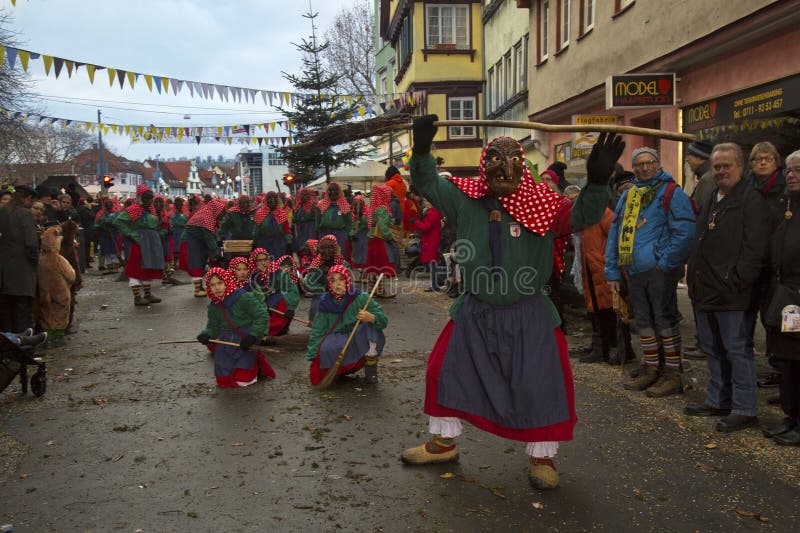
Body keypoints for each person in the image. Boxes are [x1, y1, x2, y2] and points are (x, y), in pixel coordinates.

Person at [399, 115, 621, 490]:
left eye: (512, 162)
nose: (503, 170)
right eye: (495, 162)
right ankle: (442, 444)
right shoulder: (464, 198)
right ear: (483, 166)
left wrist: (597, 182)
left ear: (524, 167)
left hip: (527, 312)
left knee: (540, 383)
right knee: (443, 370)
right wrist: (421, 150)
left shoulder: (544, 204)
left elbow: (583, 215)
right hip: (475, 309)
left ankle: (541, 458)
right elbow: (425, 183)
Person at [685, 142, 770, 432]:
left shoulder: (751, 200)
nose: (721, 171)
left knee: (737, 351)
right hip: (705, 290)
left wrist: (735, 281)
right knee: (712, 349)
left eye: (726, 166)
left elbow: (754, 249)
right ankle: (717, 399)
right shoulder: (711, 197)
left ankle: (744, 408)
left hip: (733, 294)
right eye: (717, 166)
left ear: (740, 167)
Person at [605, 147, 696, 397]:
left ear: (658, 164)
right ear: (633, 168)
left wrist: (663, 263)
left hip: (659, 272)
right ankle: (651, 367)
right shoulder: (629, 196)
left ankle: (672, 373)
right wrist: (612, 271)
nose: (644, 168)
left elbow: (685, 233)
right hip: (634, 272)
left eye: (649, 163)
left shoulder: (671, 193)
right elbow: (616, 234)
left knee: (664, 321)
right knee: (644, 322)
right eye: (639, 164)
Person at [761, 150, 800, 445]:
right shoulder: (787, 207)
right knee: (787, 361)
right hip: (785, 297)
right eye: (788, 170)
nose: (791, 175)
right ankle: (791, 417)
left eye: (797, 170)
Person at [746, 141, 787, 389]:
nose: (762, 162)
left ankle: (782, 369)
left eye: (767, 158)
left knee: (777, 318)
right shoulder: (747, 188)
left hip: (777, 265)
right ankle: (775, 366)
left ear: (776, 162)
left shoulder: (785, 188)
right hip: (754, 263)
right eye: (758, 159)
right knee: (762, 316)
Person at [306, 265, 388, 385]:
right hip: (336, 338)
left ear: (348, 280)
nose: (337, 284)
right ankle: (340, 371)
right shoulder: (325, 302)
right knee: (325, 352)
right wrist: (313, 354)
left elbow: (384, 320)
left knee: (371, 330)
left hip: (357, 336)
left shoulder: (361, 298)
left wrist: (372, 318)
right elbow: (318, 330)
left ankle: (371, 370)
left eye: (341, 279)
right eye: (333, 280)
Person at [196, 267, 275, 388]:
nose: (217, 287)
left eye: (220, 283)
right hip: (226, 340)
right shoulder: (214, 306)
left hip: (245, 338)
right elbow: (213, 327)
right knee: (223, 382)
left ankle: (256, 368)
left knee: (243, 381)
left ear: (227, 281)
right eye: (212, 285)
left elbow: (262, 316)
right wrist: (206, 334)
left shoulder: (243, 297)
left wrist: (253, 336)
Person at [113, 185, 165, 306]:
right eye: (146, 198)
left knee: (148, 266)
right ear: (140, 197)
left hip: (151, 242)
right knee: (136, 268)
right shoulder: (134, 209)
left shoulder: (150, 209)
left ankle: (147, 294)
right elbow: (119, 221)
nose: (149, 201)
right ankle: (137, 297)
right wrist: (132, 234)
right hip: (140, 242)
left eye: (150, 198)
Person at [0, 186, 39, 332]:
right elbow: (31, 243)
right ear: (28, 198)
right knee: (23, 311)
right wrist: (35, 261)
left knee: (7, 313)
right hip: (22, 270)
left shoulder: (2, 212)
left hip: (4, 272)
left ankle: (11, 349)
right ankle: (25, 348)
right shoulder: (24, 213)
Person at [184, 198, 226, 298]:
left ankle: (201, 287)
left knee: (201, 262)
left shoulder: (209, 214)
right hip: (193, 241)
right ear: (217, 211)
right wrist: (217, 253)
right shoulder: (206, 217)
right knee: (197, 263)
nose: (223, 216)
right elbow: (208, 237)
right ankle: (198, 289)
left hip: (198, 240)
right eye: (222, 213)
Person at [302, 235, 350, 320]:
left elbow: (347, 281)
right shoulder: (316, 264)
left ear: (336, 249)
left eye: (330, 247)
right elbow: (310, 281)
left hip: (339, 292)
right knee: (317, 305)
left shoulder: (343, 264)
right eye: (322, 248)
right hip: (322, 291)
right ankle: (316, 324)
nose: (326, 251)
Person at [316, 182, 352, 258]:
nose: (333, 192)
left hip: (339, 235)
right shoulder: (320, 205)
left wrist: (349, 236)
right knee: (324, 256)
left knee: (339, 256)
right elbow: (317, 221)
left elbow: (348, 222)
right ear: (327, 192)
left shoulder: (345, 205)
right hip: (324, 233)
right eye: (330, 190)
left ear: (339, 192)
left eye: (335, 190)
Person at [414, 199, 443, 292]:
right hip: (431, 240)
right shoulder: (433, 212)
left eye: (427, 201)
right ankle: (437, 283)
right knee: (432, 264)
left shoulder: (432, 213)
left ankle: (436, 284)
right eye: (425, 201)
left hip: (430, 241)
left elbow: (426, 227)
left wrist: (416, 222)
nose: (425, 203)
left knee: (432, 265)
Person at [253, 191, 291, 259]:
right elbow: (256, 230)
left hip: (279, 244)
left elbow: (286, 230)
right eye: (269, 198)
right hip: (264, 243)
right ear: (266, 200)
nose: (272, 200)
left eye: (274, 198)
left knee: (278, 263)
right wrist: (254, 243)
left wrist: (289, 242)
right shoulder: (259, 213)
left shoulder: (282, 213)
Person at [686, 139, 715, 209]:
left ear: (700, 158)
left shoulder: (707, 179)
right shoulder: (707, 176)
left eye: (689, 154)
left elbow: (700, 210)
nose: (687, 159)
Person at [349, 196, 369, 278]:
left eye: (360, 204)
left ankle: (365, 271)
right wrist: (353, 234)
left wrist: (361, 217)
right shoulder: (351, 213)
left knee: (365, 252)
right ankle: (360, 272)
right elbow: (350, 226)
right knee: (357, 253)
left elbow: (368, 223)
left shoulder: (367, 212)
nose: (358, 206)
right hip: (357, 236)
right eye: (356, 204)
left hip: (365, 235)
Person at [293, 188, 318, 253]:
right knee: (302, 249)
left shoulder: (313, 206)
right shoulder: (298, 207)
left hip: (311, 230)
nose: (304, 197)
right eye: (302, 195)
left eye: (306, 195)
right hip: (301, 231)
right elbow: (295, 220)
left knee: (311, 248)